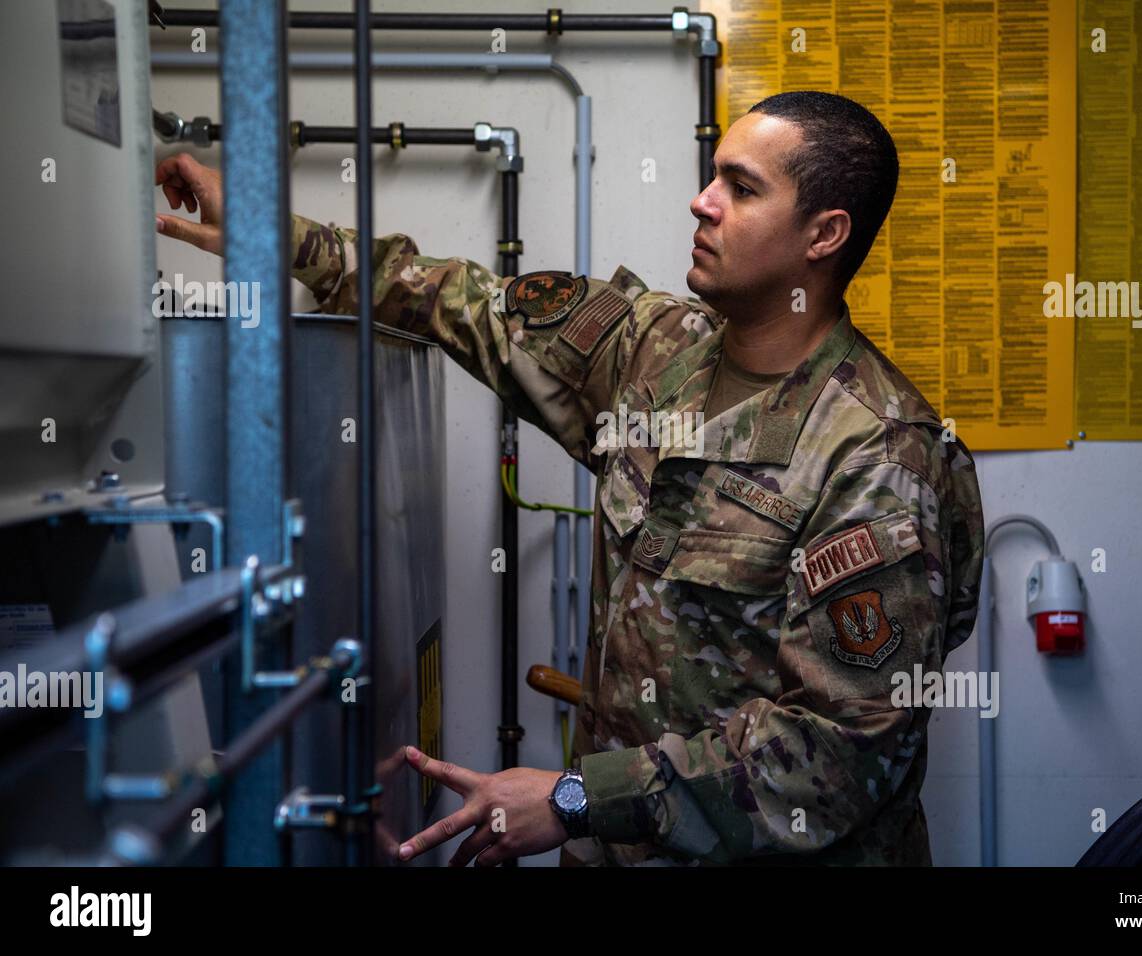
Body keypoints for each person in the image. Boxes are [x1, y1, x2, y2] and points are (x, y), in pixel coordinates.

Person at [156, 90, 984, 867]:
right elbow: (454, 298)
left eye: (740, 186)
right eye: (711, 176)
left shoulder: (878, 454)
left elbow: (836, 758)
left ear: (823, 235)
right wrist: (275, 237)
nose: (702, 201)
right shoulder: (653, 351)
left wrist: (579, 796)